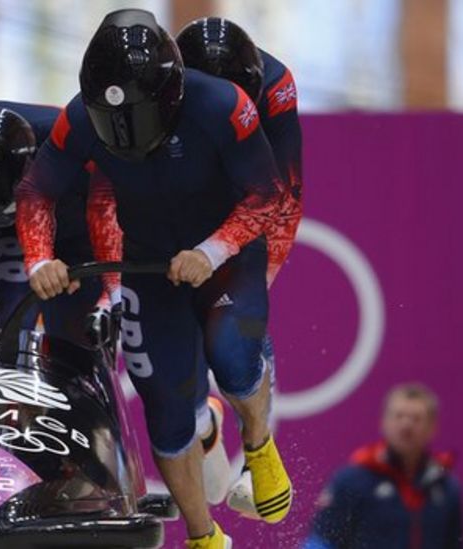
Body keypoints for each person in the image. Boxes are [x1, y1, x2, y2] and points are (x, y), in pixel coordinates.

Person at [15, 9, 291, 547]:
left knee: (234, 362)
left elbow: (269, 196)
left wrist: (212, 251)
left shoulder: (223, 106)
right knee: (167, 410)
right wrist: (38, 259)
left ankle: (257, 443)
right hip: (149, 263)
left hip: (226, 254)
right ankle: (203, 537)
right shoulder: (77, 119)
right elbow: (35, 192)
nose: (123, 133)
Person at [175, 16, 304, 517]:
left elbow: (286, 194)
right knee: (175, 323)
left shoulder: (276, 85)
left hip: (248, 191)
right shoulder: (164, 90)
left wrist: (261, 277)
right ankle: (198, 422)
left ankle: (256, 453)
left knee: (236, 327)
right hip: (177, 193)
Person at [0, 102, 118, 346]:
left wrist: (109, 298)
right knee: (15, 328)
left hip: (83, 229)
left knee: (86, 338)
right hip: (10, 235)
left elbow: (115, 219)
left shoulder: (77, 142)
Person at [304, 383, 463, 548]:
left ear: (432, 427)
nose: (406, 425)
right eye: (399, 416)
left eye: (416, 418)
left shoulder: (447, 488)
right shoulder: (351, 481)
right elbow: (321, 542)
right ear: (383, 422)